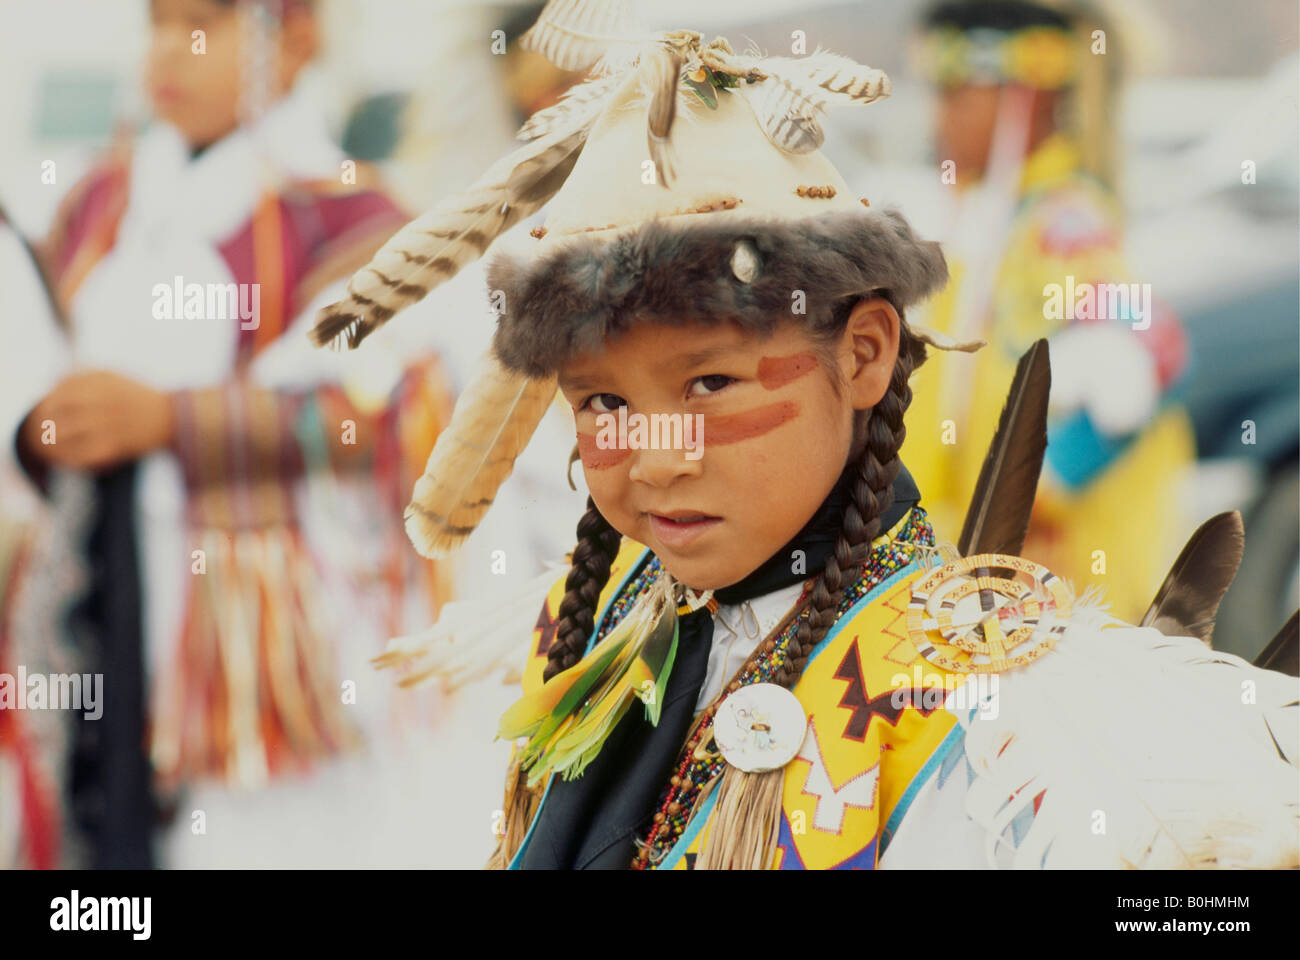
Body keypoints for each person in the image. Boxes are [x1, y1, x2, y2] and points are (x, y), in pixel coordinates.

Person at [339, 7, 1298, 871]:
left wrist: (1057, 483)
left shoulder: (983, 724)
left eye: (708, 383)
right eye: (601, 405)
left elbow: (1143, 349)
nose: (656, 455)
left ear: (868, 353)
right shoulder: (603, 629)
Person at [3, 0, 459, 867]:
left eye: (201, 22)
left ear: (294, 39)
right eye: (158, 24)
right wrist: (40, 425)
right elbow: (31, 374)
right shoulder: (103, 203)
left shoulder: (352, 218)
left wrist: (167, 422)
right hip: (96, 599)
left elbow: (384, 413)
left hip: (265, 647)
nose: (170, 51)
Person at [904, 0, 1196, 623]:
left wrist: (1037, 487)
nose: (938, 116)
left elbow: (1149, 354)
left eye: (957, 94)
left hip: (1055, 591)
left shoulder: (1062, 224)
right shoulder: (1000, 219)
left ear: (1025, 98)